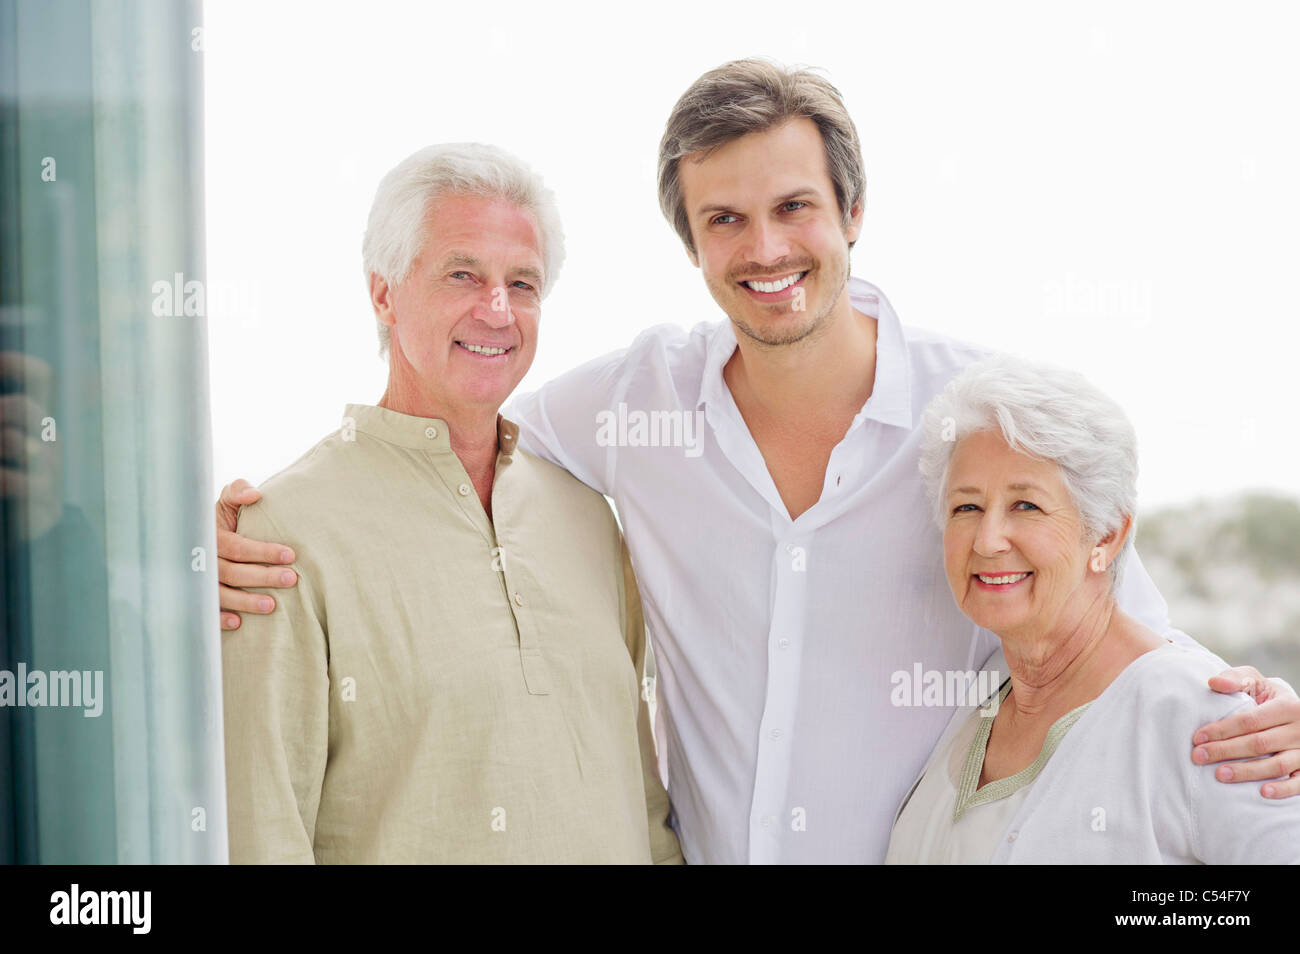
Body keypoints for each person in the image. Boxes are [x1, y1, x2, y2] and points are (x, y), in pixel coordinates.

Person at [216, 59, 1300, 863]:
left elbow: (1111, 629)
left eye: (794, 208)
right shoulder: (627, 408)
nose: (765, 249)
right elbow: (442, 435)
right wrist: (217, 525)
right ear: (693, 246)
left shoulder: (980, 424)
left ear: (853, 214)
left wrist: (1242, 710)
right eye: (724, 219)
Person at [220, 143, 681, 864]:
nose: (496, 310)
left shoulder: (589, 517)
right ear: (384, 293)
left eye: (522, 283)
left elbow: (644, 805)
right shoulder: (280, 533)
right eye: (462, 274)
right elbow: (261, 829)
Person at [887, 355, 1300, 862]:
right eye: (966, 507)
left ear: (1106, 535)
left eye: (1026, 505)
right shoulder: (976, 704)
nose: (988, 540)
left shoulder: (1206, 715)